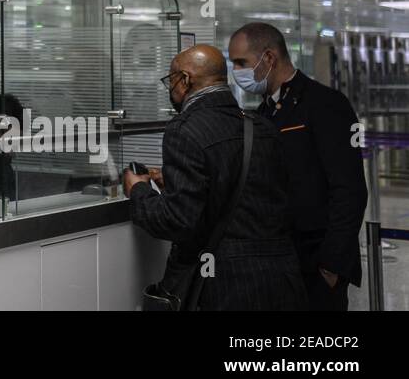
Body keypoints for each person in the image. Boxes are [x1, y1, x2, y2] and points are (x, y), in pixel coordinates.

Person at [125, 44, 305, 310]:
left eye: (171, 79)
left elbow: (177, 221)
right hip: (282, 279)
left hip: (225, 286)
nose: (170, 88)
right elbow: (260, 193)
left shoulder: (184, 130)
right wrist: (175, 180)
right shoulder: (261, 125)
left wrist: (139, 190)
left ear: (184, 80)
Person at [228, 22, 368, 311]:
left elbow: (350, 190)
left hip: (317, 264)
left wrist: (332, 266)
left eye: (241, 62)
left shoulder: (325, 104)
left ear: (269, 58)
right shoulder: (264, 111)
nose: (236, 71)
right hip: (279, 262)